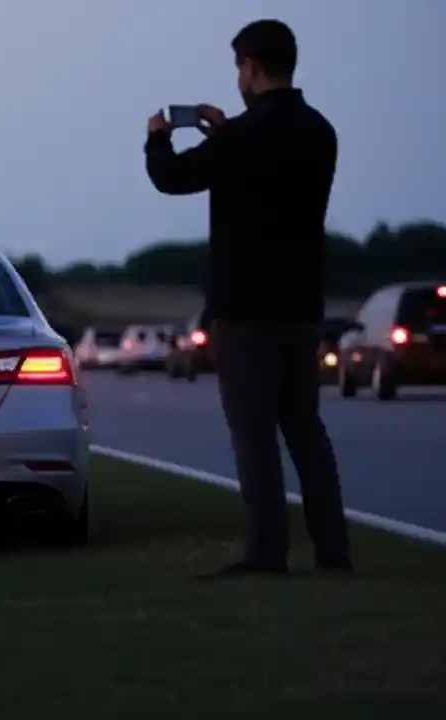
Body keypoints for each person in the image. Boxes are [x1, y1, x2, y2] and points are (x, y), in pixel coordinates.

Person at [143, 19, 353, 578]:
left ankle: (267, 551)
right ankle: (334, 550)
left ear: (252, 66)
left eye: (239, 66)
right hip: (303, 303)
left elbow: (174, 178)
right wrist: (226, 133)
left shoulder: (243, 137)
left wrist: (157, 137)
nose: (238, 76)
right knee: (305, 427)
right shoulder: (319, 131)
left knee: (253, 432)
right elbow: (265, 172)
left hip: (245, 307)